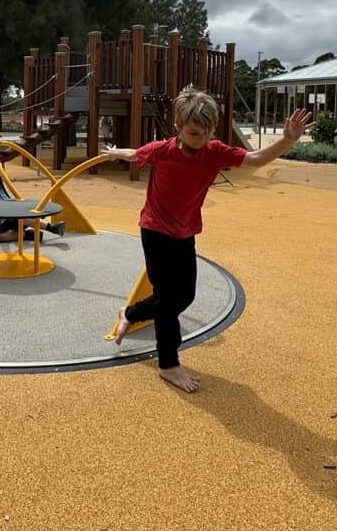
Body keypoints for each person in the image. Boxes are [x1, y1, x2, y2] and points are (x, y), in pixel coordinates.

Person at [101, 86, 312, 393]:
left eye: (204, 133)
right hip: (155, 229)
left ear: (212, 130)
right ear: (178, 126)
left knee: (184, 296)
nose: (197, 139)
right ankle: (168, 364)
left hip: (185, 232)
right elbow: (136, 154)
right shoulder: (162, 150)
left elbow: (255, 159)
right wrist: (116, 152)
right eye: (192, 132)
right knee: (168, 299)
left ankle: (130, 313)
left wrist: (287, 139)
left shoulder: (215, 153)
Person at [0, 169, 66, 243]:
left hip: (12, 214)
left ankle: (52, 228)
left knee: (20, 216)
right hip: (5, 224)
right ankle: (27, 235)